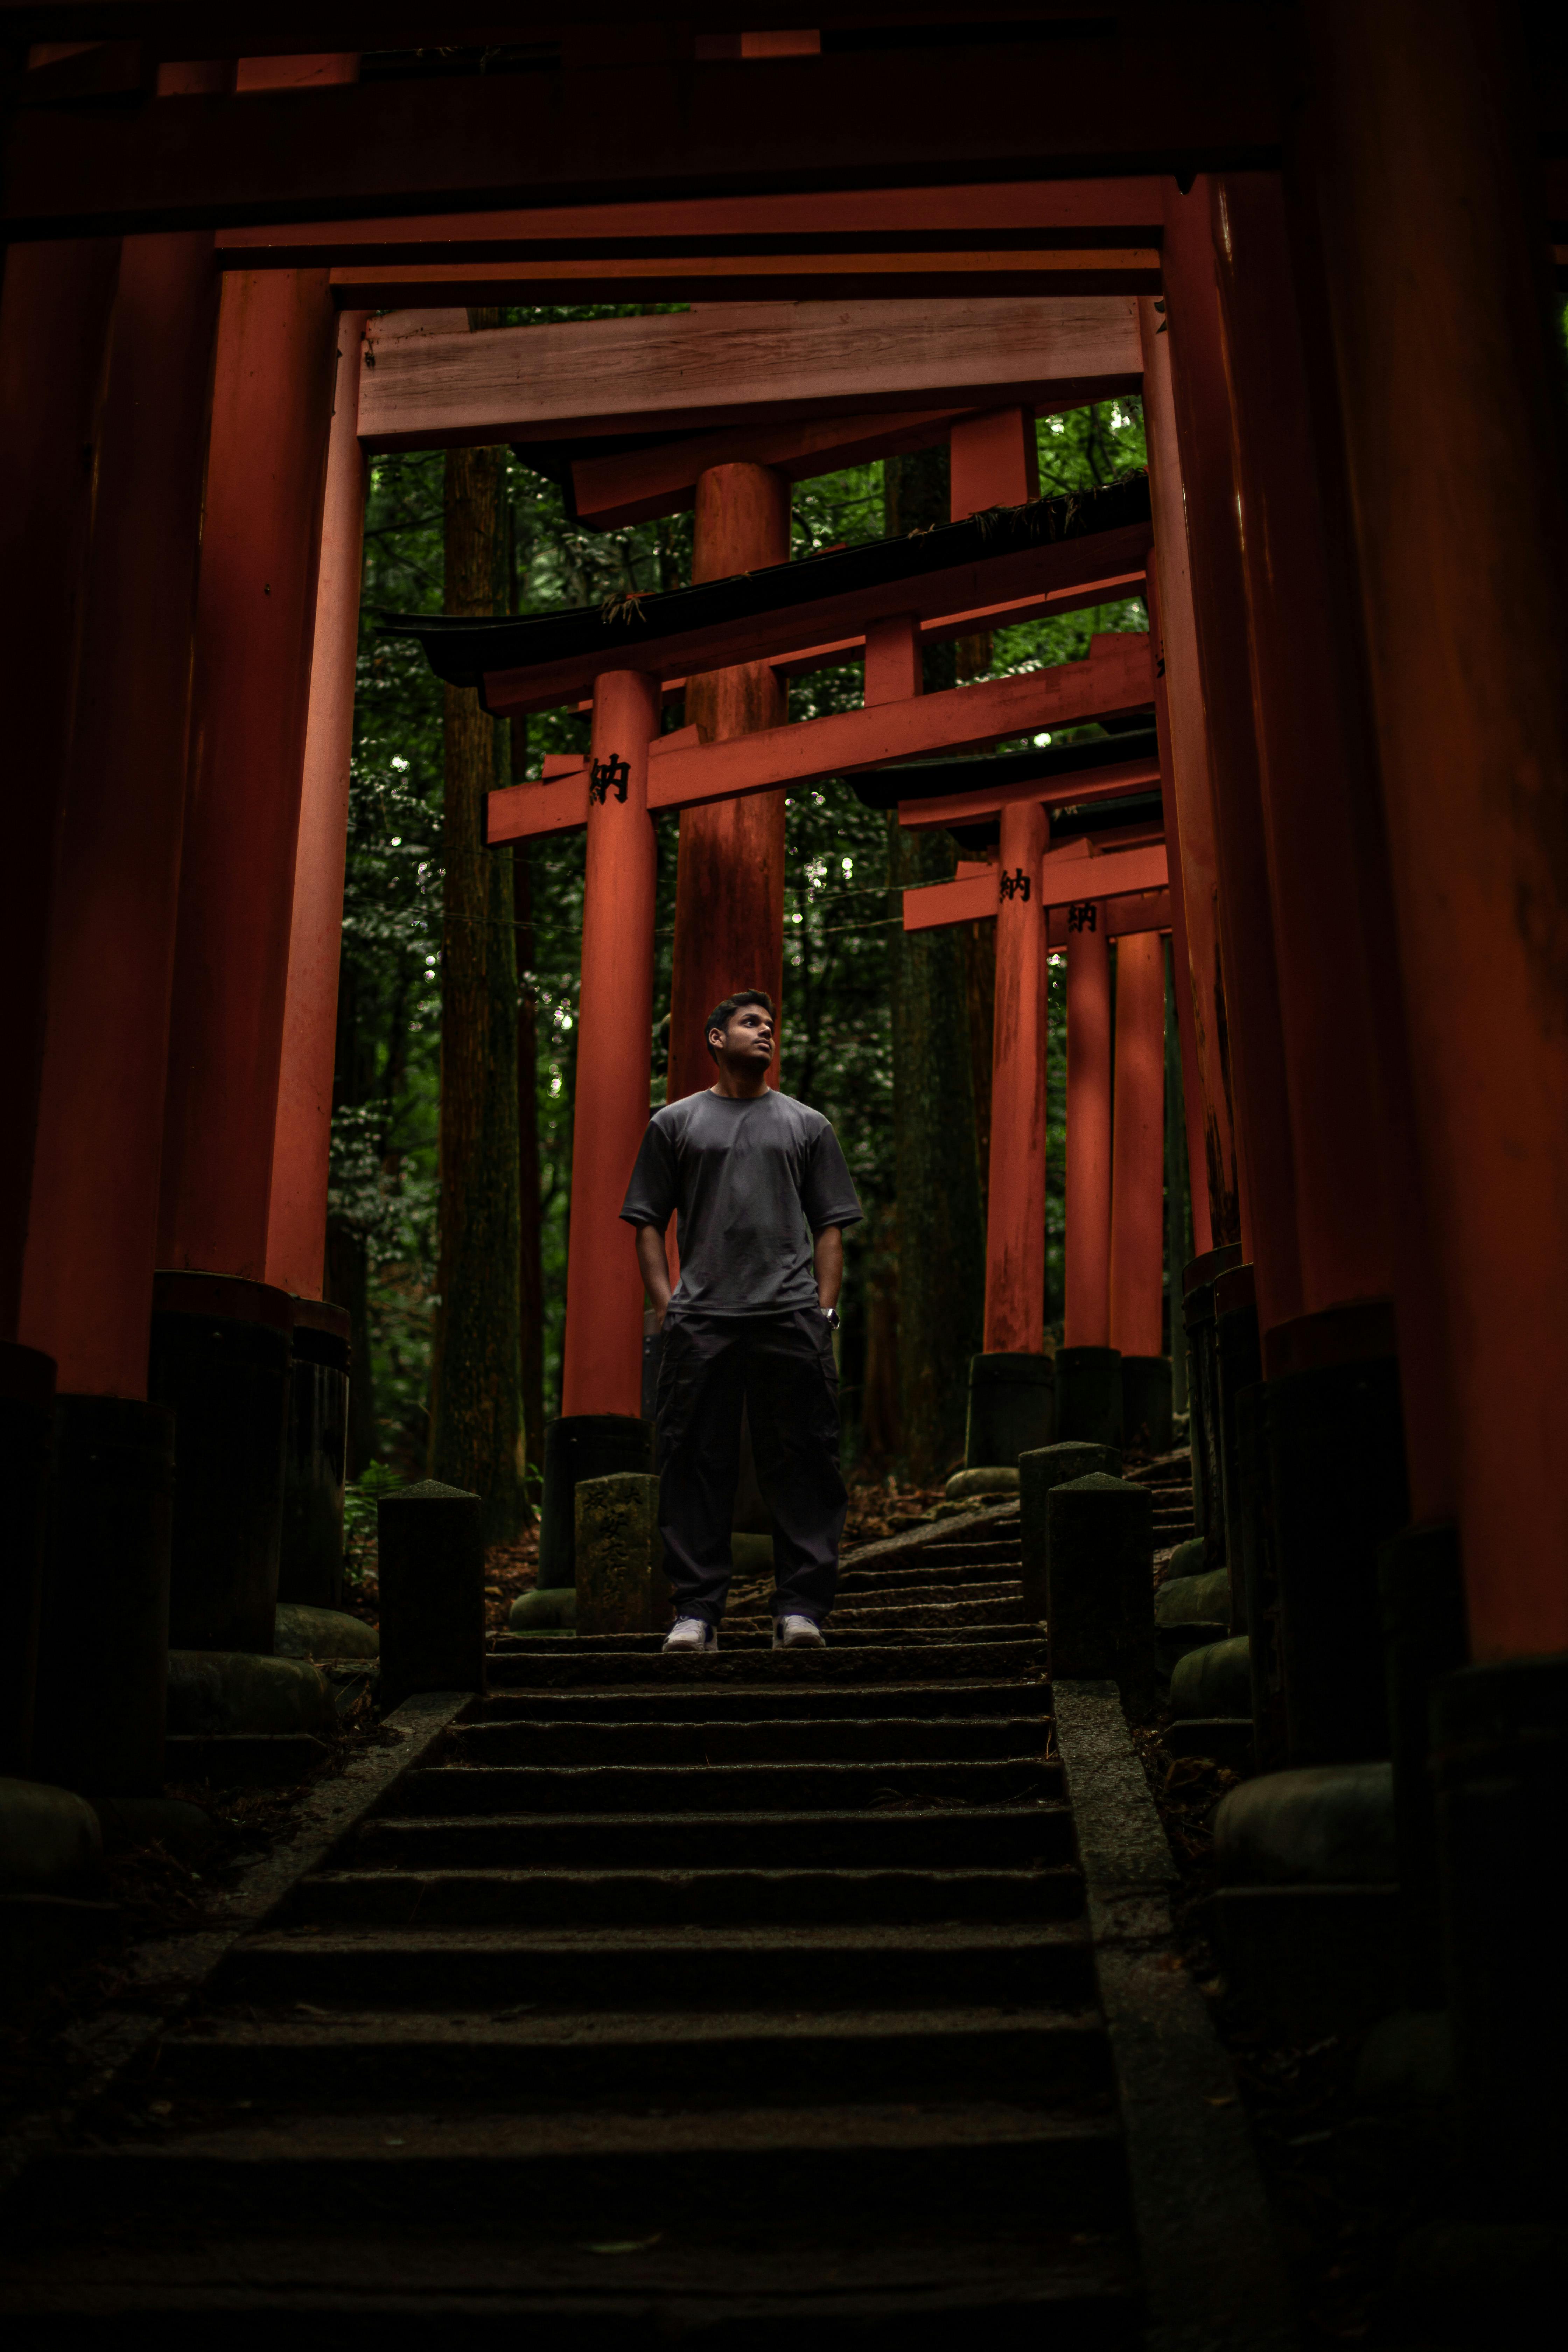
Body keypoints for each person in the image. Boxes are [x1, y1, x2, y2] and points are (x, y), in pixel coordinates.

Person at [620, 989, 862, 1652]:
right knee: (694, 1461)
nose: (766, 1033)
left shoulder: (807, 1125)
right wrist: (668, 1305)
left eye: (771, 1026)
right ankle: (696, 1613)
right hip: (702, 1320)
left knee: (805, 1461)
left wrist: (825, 1310)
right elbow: (646, 1219)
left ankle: (801, 1611)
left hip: (790, 1315)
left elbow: (833, 1223)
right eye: (750, 1024)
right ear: (715, 1039)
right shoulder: (676, 1123)